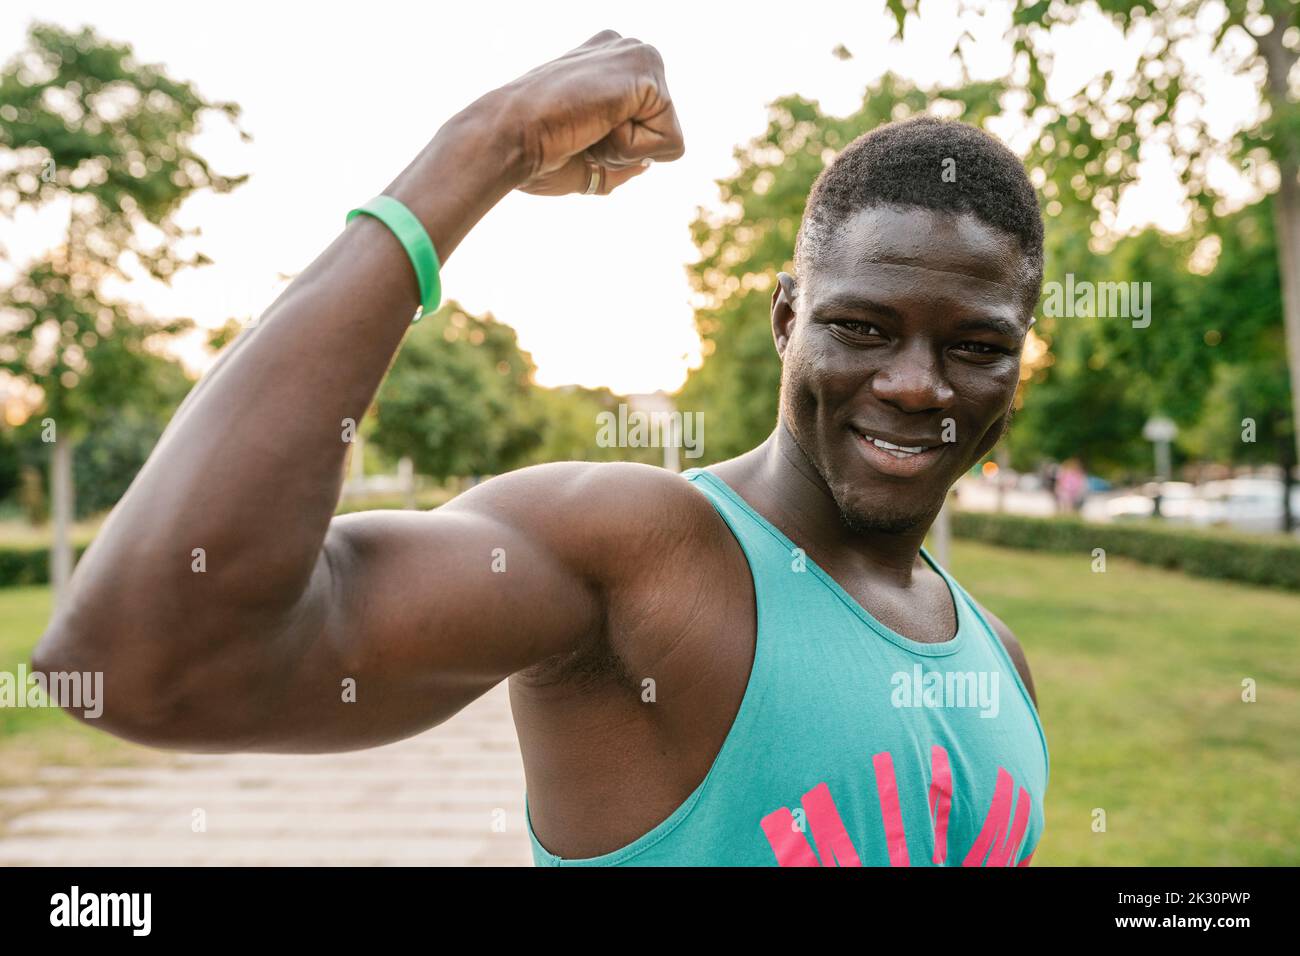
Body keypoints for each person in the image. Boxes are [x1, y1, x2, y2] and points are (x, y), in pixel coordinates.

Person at [34, 30, 1048, 867]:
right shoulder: (641, 549)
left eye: (972, 346)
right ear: (786, 319)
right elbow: (141, 661)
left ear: (1015, 366)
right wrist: (484, 145)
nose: (915, 383)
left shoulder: (997, 657)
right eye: (862, 326)